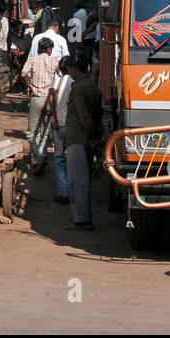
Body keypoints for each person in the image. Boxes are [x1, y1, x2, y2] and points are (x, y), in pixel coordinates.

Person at [64, 52, 102, 231]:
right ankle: (83, 217)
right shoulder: (92, 86)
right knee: (83, 179)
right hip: (86, 140)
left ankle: (81, 219)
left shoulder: (78, 88)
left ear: (73, 68)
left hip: (78, 138)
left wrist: (91, 135)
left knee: (77, 180)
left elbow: (83, 116)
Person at [20, 37, 57, 172]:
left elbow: (23, 74)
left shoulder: (32, 59)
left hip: (36, 99)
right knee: (45, 132)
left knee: (32, 133)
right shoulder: (53, 61)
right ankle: (41, 158)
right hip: (49, 100)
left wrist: (28, 85)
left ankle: (39, 157)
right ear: (48, 49)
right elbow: (60, 74)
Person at [49, 55, 73, 203]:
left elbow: (51, 98)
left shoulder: (57, 80)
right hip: (71, 126)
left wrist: (55, 119)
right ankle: (72, 191)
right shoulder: (75, 81)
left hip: (59, 125)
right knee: (72, 158)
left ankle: (63, 191)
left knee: (59, 158)